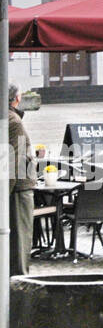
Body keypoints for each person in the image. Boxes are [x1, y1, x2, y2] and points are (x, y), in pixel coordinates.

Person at [8, 85, 34, 275]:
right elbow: (15, 161)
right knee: (20, 241)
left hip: (13, 188)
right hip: (18, 190)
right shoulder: (13, 121)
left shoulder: (7, 118)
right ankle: (19, 284)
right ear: (16, 98)